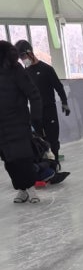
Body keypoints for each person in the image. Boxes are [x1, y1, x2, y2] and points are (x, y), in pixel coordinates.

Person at [0, 40, 43, 203]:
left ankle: (31, 189)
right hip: (2, 128)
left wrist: (35, 117)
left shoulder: (16, 70)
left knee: (23, 158)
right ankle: (21, 190)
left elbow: (33, 93)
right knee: (9, 161)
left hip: (18, 122)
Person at [14, 39, 70, 162]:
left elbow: (58, 86)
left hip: (49, 109)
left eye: (23, 56)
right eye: (20, 57)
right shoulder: (25, 73)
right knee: (39, 140)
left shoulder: (46, 69)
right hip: (35, 112)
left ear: (30, 52)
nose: (23, 59)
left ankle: (54, 164)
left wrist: (64, 102)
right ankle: (45, 167)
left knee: (52, 139)